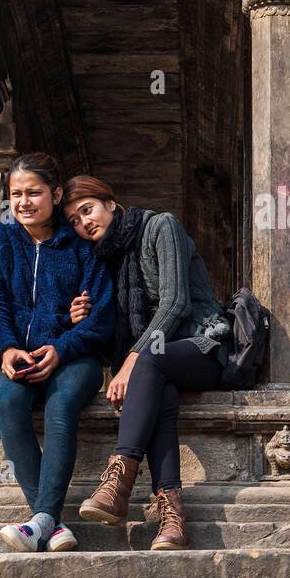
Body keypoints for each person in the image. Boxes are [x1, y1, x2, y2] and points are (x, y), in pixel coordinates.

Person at [63, 175, 231, 551]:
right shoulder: (104, 260)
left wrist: (130, 364)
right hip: (159, 365)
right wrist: (84, 319)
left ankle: (118, 479)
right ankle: (172, 520)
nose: (83, 222)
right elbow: (115, 342)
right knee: (161, 393)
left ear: (110, 201)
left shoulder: (160, 226)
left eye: (87, 210)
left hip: (203, 344)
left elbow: (175, 304)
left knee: (150, 364)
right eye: (74, 220)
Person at [0, 153, 115, 553]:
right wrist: (6, 349)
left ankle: (40, 521)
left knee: (62, 404)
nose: (23, 202)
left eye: (33, 192)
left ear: (54, 193)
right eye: (15, 194)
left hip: (74, 359)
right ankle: (49, 522)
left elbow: (100, 318)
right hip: (16, 356)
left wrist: (62, 345)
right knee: (10, 401)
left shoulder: (82, 248)